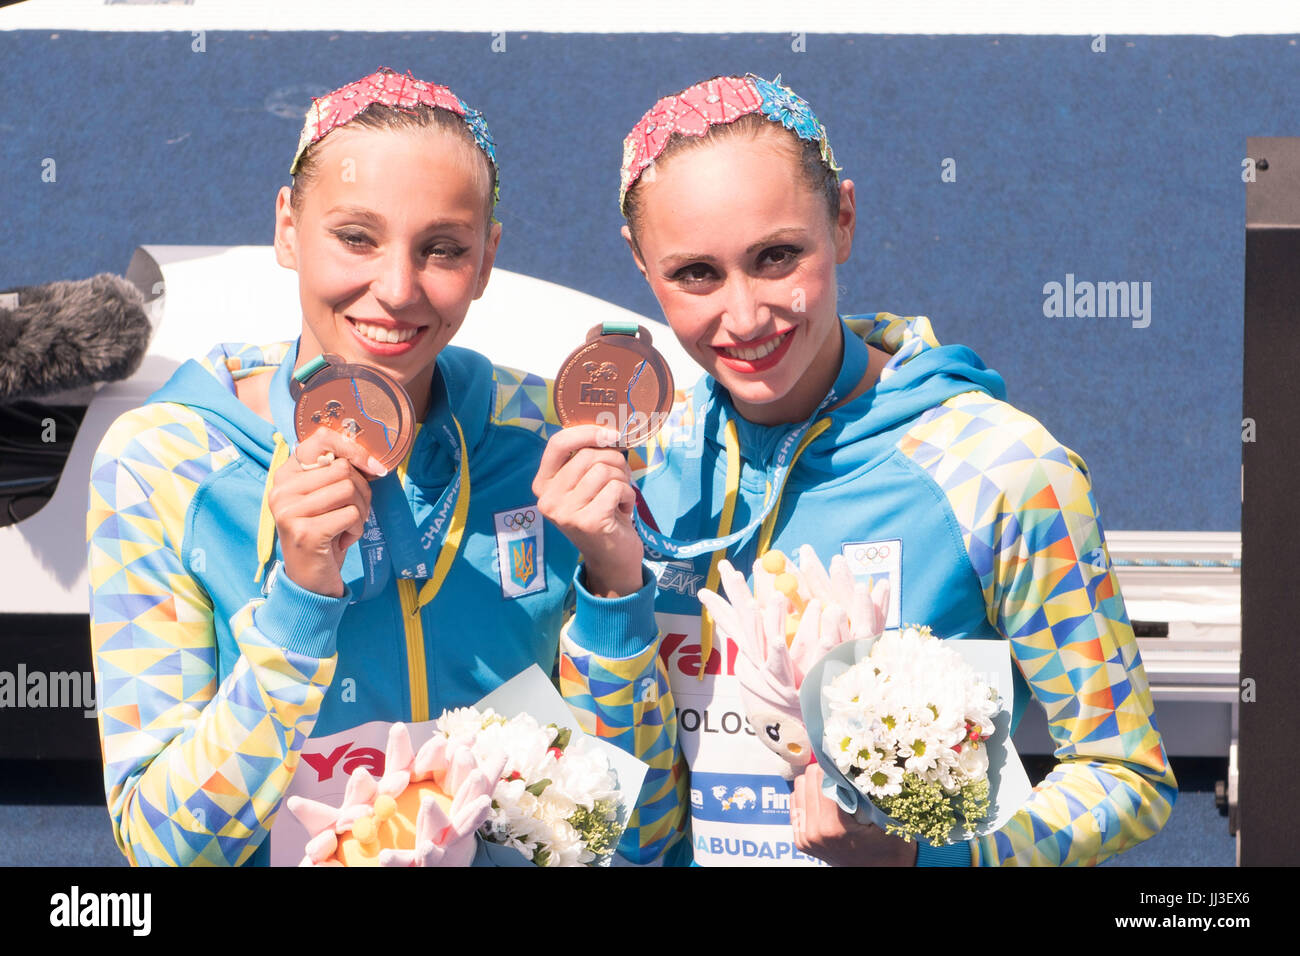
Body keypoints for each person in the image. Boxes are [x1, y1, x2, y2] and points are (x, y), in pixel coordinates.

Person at [541, 74, 1178, 866]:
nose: (743, 318)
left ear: (843, 220)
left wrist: (925, 863)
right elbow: (629, 837)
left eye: (778, 257)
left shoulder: (1002, 470)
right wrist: (610, 585)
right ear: (642, 266)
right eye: (695, 274)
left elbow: (1125, 772)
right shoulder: (642, 469)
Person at [85, 68, 660, 866]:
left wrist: (613, 592)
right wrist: (297, 609)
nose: (395, 290)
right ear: (287, 228)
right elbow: (162, 845)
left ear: (488, 258)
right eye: (356, 237)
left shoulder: (546, 438)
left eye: (443, 249)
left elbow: (640, 838)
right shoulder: (164, 461)